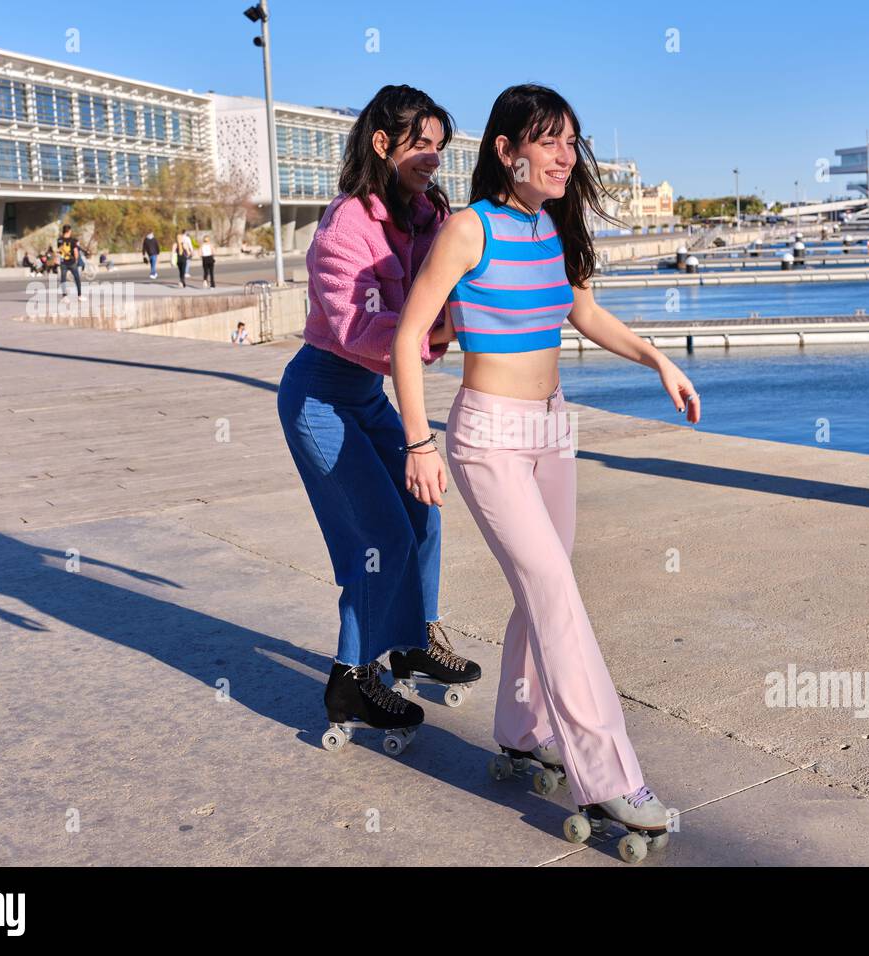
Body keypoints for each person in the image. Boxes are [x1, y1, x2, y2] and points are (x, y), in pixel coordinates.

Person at [392, 84, 698, 844]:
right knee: (556, 593)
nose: (567, 156)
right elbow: (407, 339)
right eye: (551, 141)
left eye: (572, 141)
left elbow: (583, 312)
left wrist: (657, 358)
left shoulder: (552, 227)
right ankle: (611, 777)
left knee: (546, 582)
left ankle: (521, 726)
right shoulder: (469, 230)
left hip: (552, 433)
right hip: (487, 437)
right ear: (507, 150)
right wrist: (418, 442)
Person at [275, 84, 479, 749]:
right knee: (377, 542)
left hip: (366, 396)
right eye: (422, 146)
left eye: (440, 149)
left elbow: (456, 278)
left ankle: (412, 643)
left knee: (423, 514)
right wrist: (440, 331)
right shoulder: (345, 226)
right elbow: (361, 328)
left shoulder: (426, 215)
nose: (433, 160)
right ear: (382, 143)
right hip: (320, 398)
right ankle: (350, 678)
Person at [56, 225, 84, 301]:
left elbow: (59, 250)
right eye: (70, 230)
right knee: (77, 278)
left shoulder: (59, 240)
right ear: (69, 231)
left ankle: (65, 296)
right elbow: (75, 251)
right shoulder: (73, 240)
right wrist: (76, 260)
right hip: (72, 262)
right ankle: (80, 296)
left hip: (63, 262)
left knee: (63, 279)